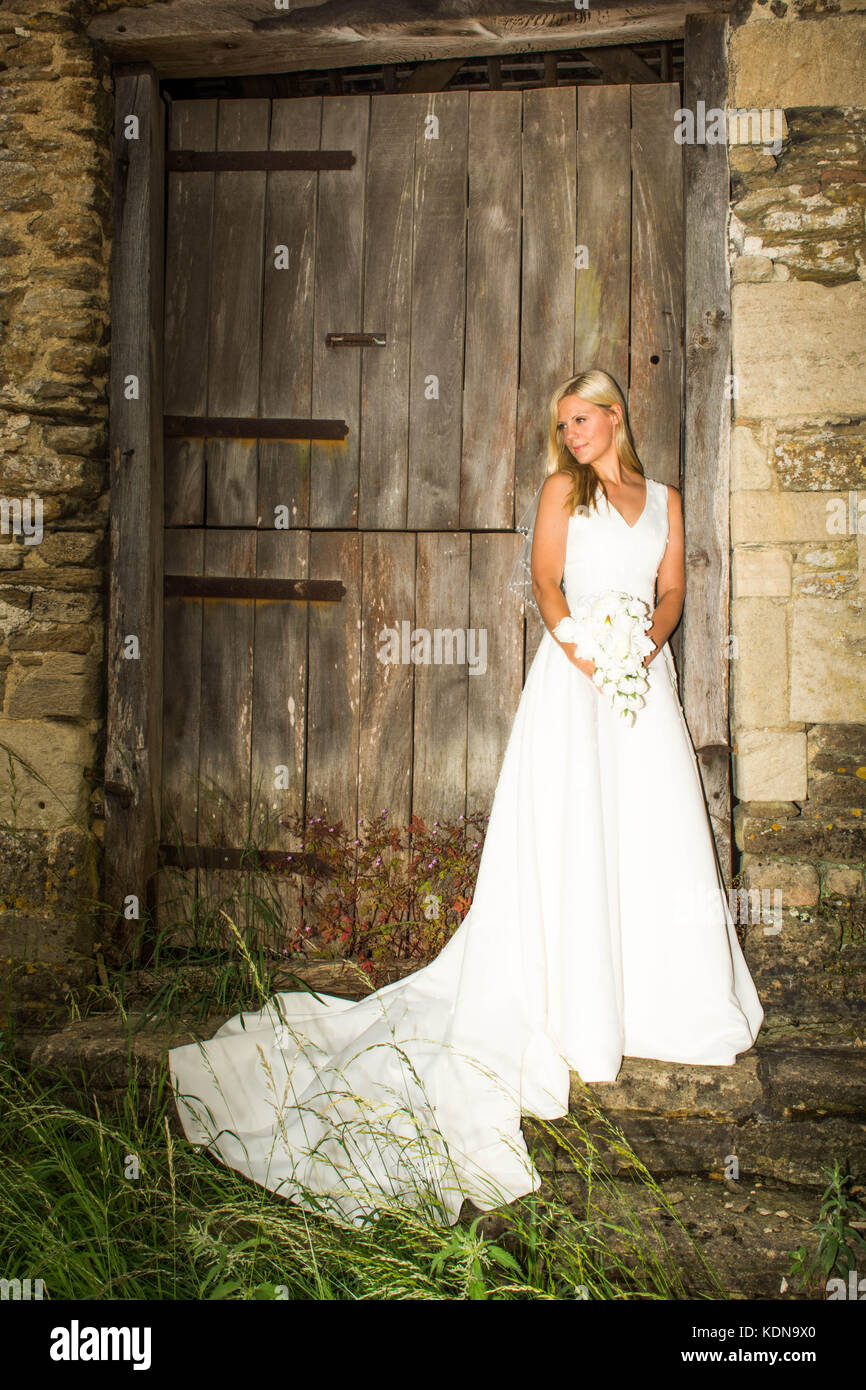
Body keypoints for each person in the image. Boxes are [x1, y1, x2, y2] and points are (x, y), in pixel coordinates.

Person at [168, 368, 764, 1229]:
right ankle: (572, 994)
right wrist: (588, 652)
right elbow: (547, 584)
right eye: (564, 425)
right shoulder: (563, 492)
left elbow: (671, 592)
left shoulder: (665, 499)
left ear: (615, 417)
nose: (573, 435)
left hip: (643, 681)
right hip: (572, 682)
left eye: (584, 421)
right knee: (574, 831)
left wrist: (642, 645)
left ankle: (660, 991)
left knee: (653, 833)